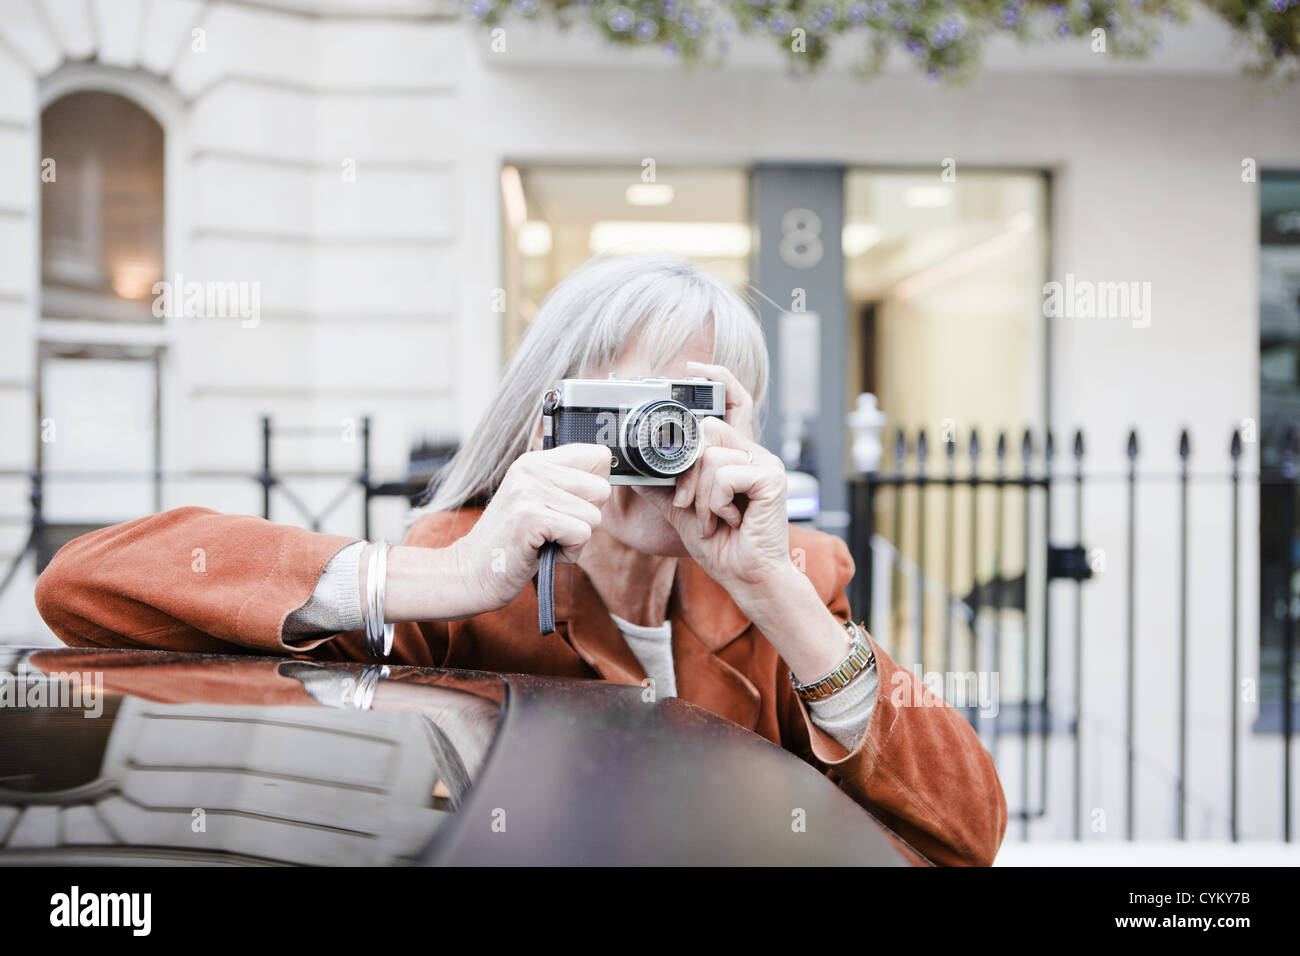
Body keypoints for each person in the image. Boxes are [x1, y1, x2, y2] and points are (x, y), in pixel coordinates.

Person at [34, 253, 1007, 866]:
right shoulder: (460, 576)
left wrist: (773, 586)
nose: (662, 446)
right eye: (629, 414)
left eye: (691, 413)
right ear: (549, 423)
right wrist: (438, 577)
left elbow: (967, 832)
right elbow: (81, 587)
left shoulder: (786, 576)